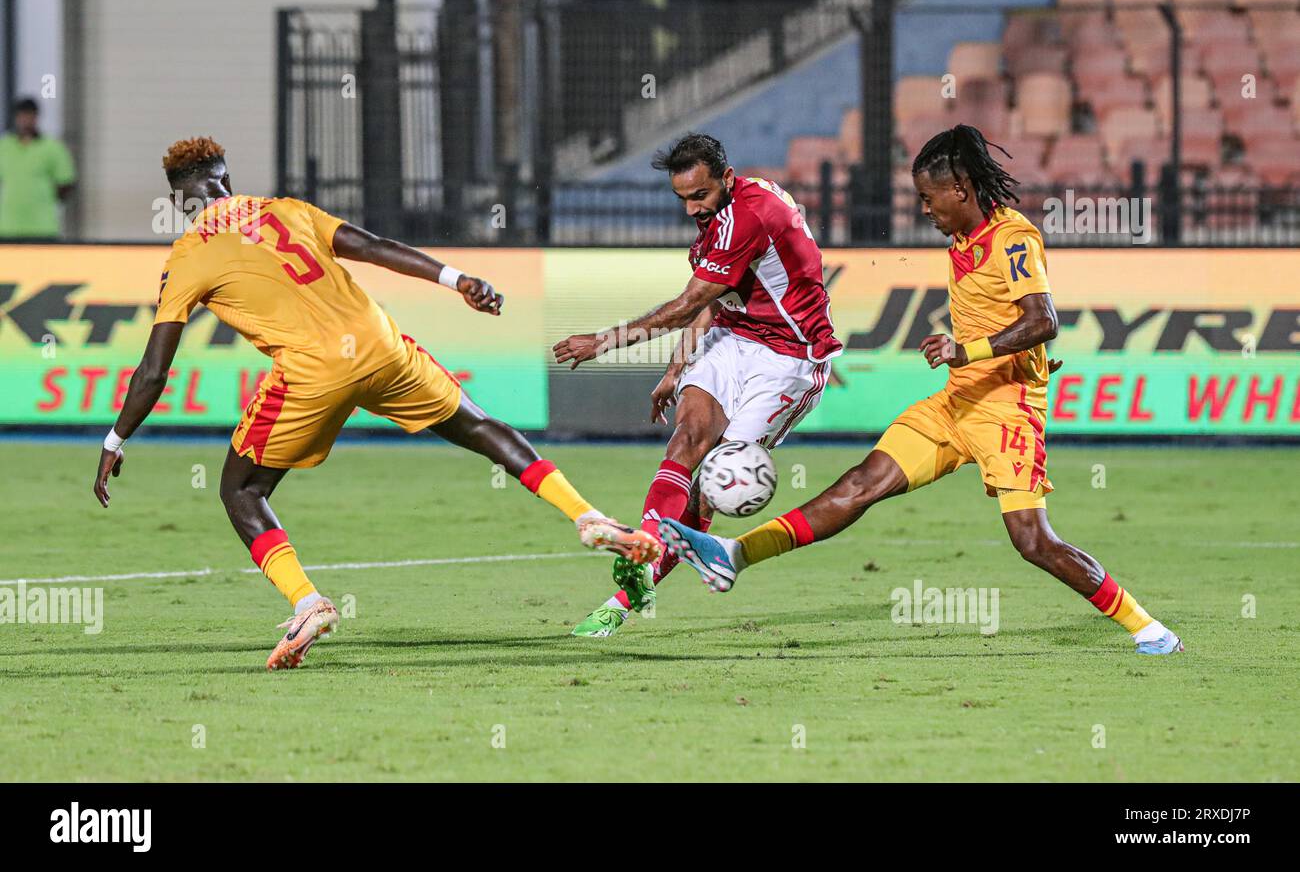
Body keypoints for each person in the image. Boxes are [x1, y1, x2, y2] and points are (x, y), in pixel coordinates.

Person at [92, 137, 657, 669]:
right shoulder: (287, 209)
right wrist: (456, 278)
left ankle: (309, 604)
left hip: (313, 371)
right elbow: (373, 247)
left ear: (177, 199)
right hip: (379, 344)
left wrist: (115, 439)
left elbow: (153, 371)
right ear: (227, 180)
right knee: (480, 424)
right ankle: (587, 516)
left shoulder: (188, 256)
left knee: (241, 489)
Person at [658, 125, 1184, 656]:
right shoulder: (963, 238)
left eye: (929, 199)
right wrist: (1005, 355)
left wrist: (969, 350)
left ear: (960, 189)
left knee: (1033, 541)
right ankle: (733, 554)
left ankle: (1149, 628)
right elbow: (1015, 324)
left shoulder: (1013, 239)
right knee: (860, 484)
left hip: (1006, 412)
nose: (924, 211)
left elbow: (1043, 319)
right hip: (955, 404)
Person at [553, 133, 841, 637]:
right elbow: (713, 301)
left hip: (788, 358)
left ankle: (622, 600)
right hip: (732, 338)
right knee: (686, 439)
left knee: (710, 486)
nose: (691, 208)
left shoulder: (750, 215)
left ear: (726, 180)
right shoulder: (719, 218)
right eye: (682, 198)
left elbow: (689, 303)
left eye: (699, 196)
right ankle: (643, 550)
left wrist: (603, 342)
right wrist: (675, 368)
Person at [0, 98, 77, 239]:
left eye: (30, 116)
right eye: (22, 116)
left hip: (43, 227)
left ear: (36, 117)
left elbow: (66, 182)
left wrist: (42, 197)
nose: (26, 120)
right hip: (7, 227)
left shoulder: (52, 147)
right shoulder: (4, 146)